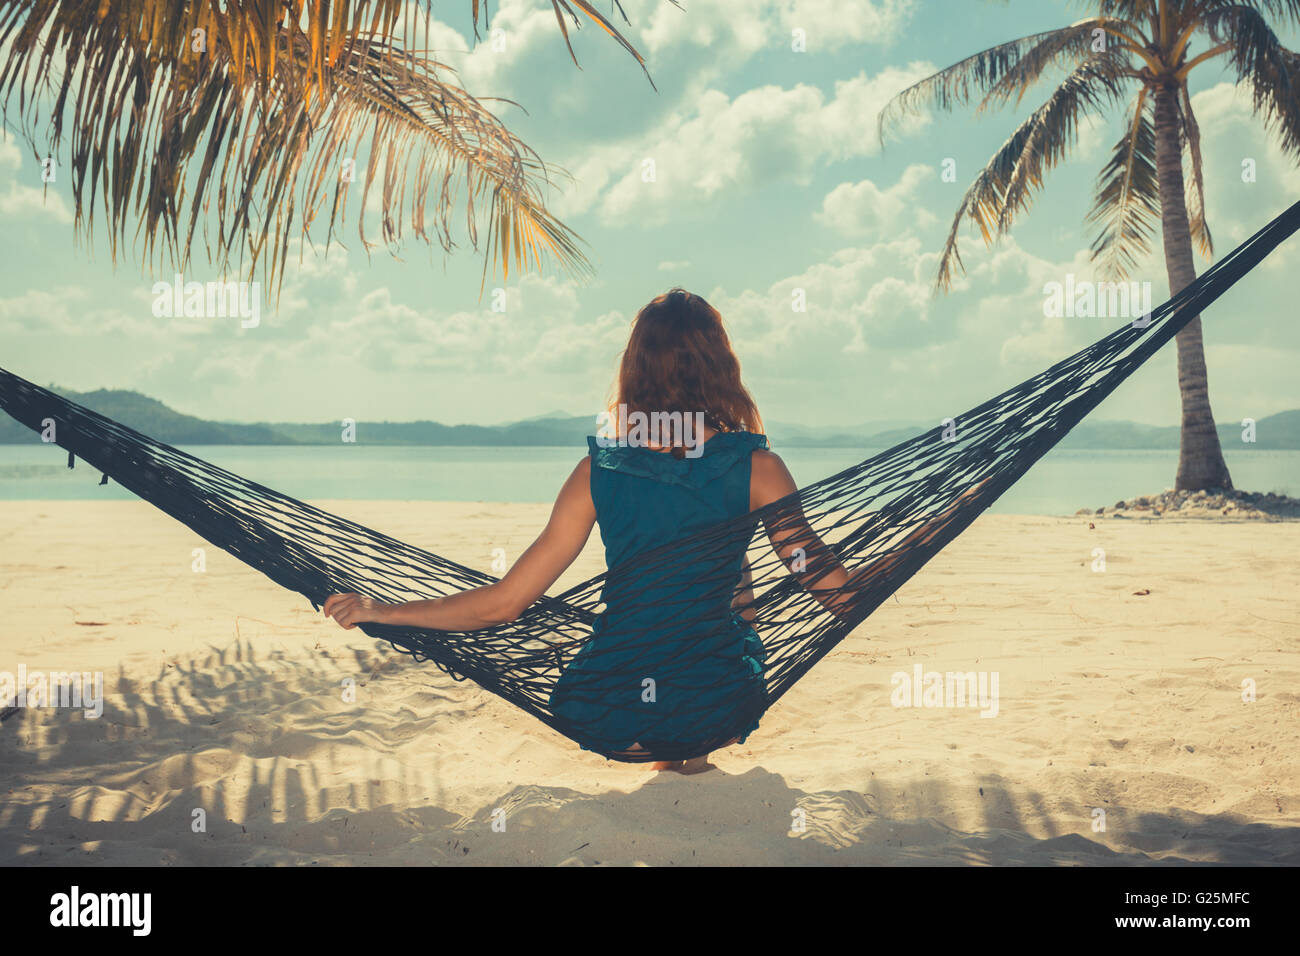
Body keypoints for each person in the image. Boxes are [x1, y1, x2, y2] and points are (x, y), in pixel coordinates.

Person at [324, 289, 973, 773]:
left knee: (689, 583)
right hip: (715, 706)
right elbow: (828, 589)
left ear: (634, 369)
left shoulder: (596, 472)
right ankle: (687, 751)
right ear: (720, 367)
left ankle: (667, 743)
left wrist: (384, 610)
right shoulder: (757, 468)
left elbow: (504, 603)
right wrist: (924, 535)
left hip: (605, 708)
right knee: (728, 576)